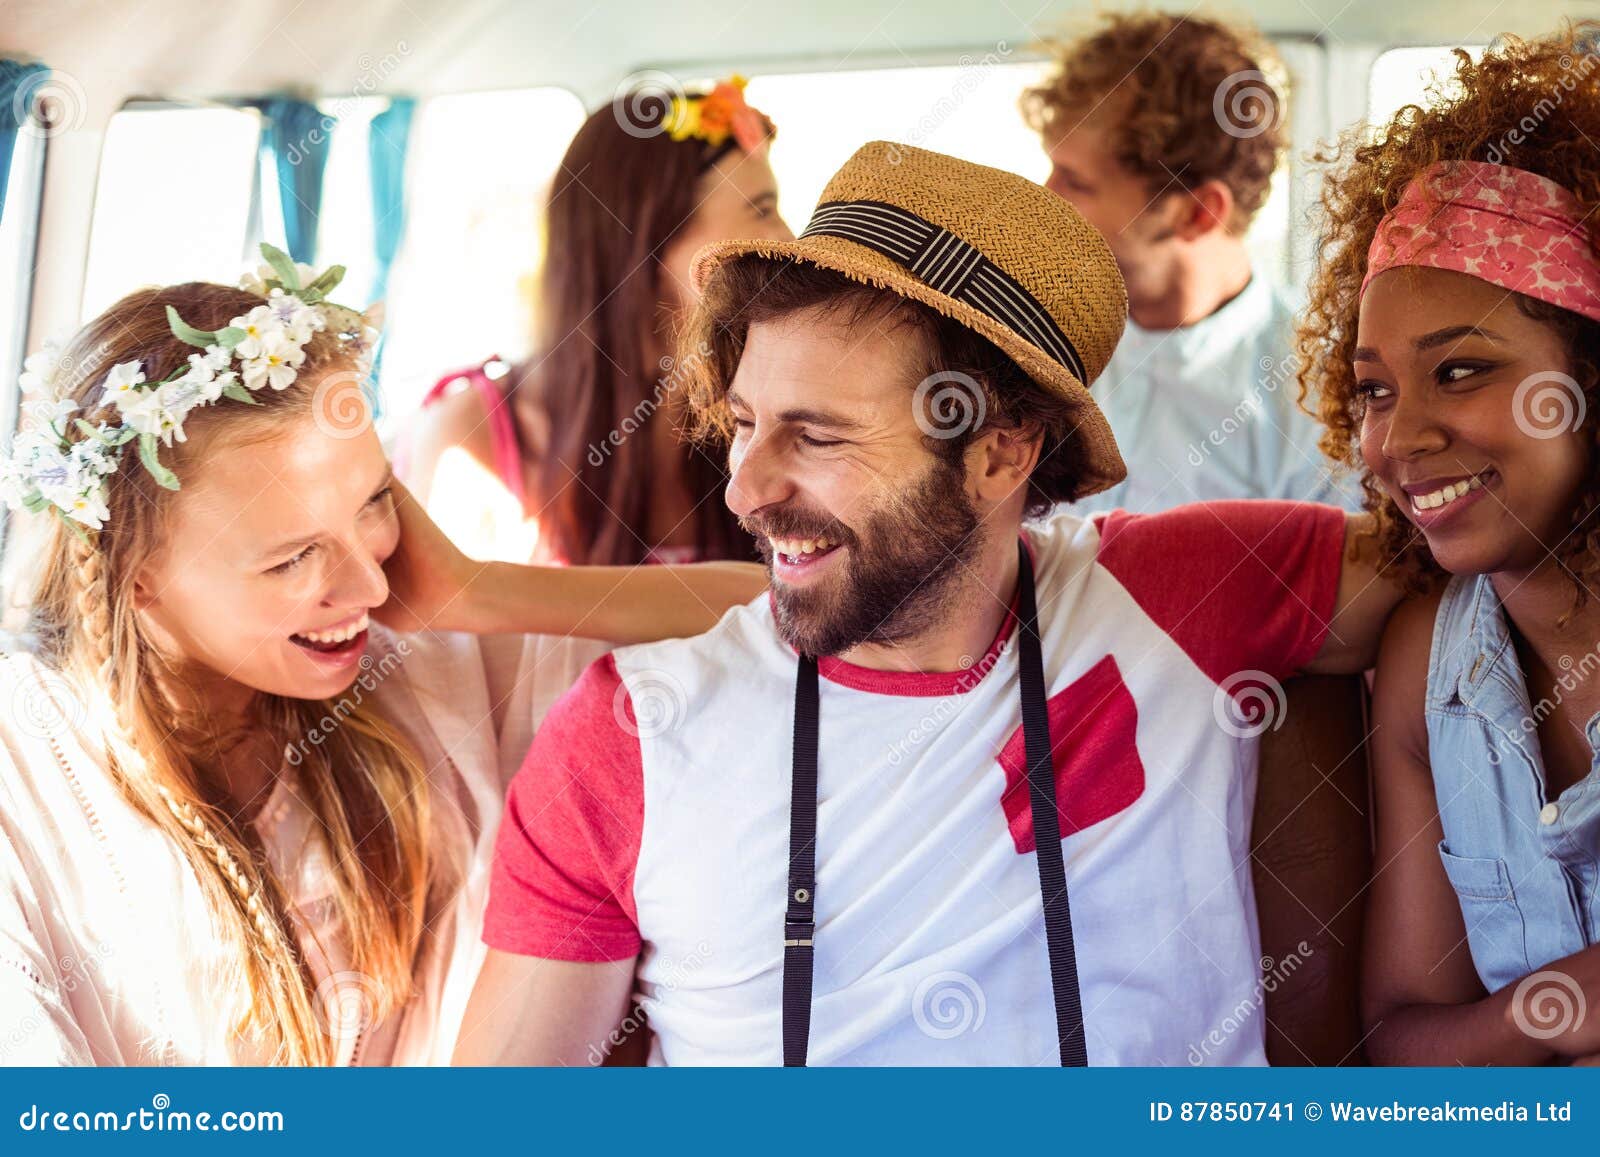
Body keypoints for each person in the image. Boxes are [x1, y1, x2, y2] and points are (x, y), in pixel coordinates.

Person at [456, 143, 1403, 1067]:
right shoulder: (628, 736)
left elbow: (1478, 552)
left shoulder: (1175, 591)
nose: (743, 492)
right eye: (744, 426)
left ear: (999, 453)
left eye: (817, 437)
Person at [0, 250, 765, 1065]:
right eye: (293, 557)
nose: (369, 583)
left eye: (374, 504)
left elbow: (767, 621)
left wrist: (477, 591)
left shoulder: (420, 669)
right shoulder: (24, 778)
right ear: (137, 576)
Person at [1299, 24, 1600, 1066]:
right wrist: (1560, 1001)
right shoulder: (1427, 658)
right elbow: (1403, 1043)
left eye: (1461, 370)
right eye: (1373, 390)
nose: (1398, 437)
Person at [402, 77, 793, 565]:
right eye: (763, 210)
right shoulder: (472, 436)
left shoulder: (767, 412)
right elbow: (455, 625)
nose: (789, 240)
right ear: (649, 236)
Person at [1023, 10, 1355, 513]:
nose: (1043, 200)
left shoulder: (1320, 400)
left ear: (1198, 214)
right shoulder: (1031, 352)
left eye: (1076, 182)